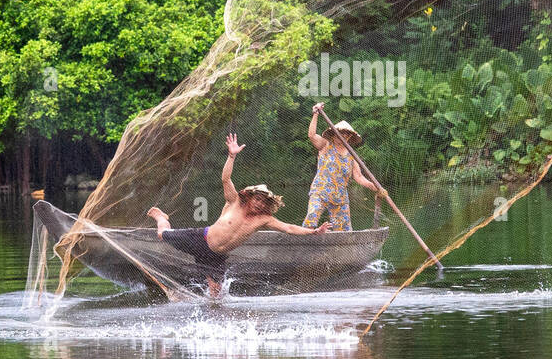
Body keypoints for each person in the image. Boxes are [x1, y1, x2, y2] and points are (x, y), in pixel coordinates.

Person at [147, 132, 328, 297]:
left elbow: (288, 228)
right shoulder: (234, 201)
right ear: (249, 197)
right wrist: (232, 156)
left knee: (216, 294)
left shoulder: (263, 219)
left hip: (216, 256)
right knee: (161, 234)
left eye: (264, 202)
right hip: (200, 239)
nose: (260, 203)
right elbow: (226, 178)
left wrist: (312, 231)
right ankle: (162, 218)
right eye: (257, 199)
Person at [303, 103, 379, 232]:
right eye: (340, 132)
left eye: (346, 133)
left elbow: (359, 177)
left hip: (340, 197)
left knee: (343, 230)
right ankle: (304, 243)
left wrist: (374, 186)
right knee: (312, 217)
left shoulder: (351, 156)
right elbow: (311, 135)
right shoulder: (325, 145)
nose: (343, 135)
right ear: (333, 133)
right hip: (320, 191)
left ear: (349, 136)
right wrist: (315, 113)